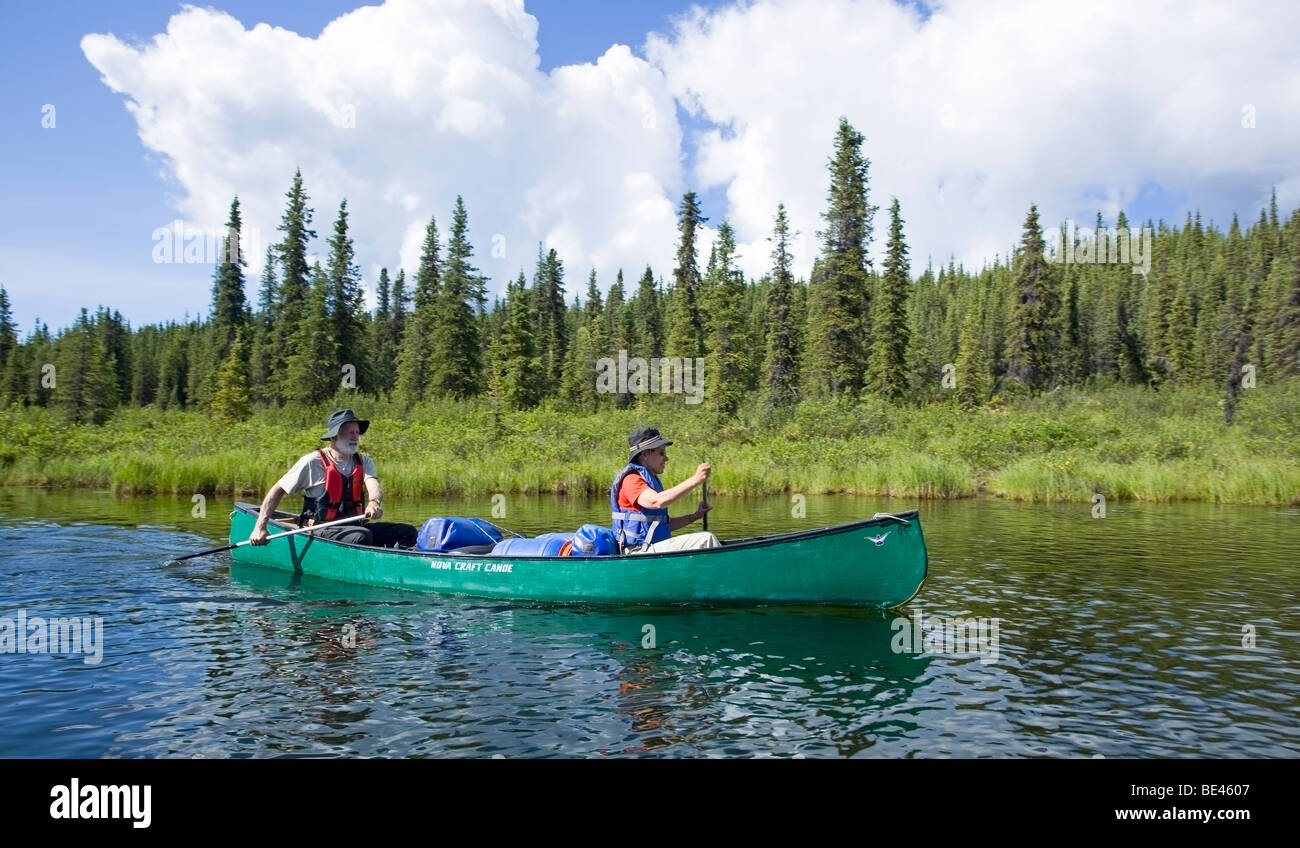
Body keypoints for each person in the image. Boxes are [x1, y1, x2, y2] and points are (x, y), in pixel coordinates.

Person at [248, 409, 418, 549]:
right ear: (334, 435)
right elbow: (277, 490)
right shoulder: (312, 462)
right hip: (320, 529)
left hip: (355, 528)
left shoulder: (364, 461)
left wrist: (374, 502)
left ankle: (393, 560)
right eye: (350, 432)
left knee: (408, 532)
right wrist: (260, 527)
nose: (355, 436)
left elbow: (372, 482)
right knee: (362, 536)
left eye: (357, 432)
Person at [611, 427, 720, 554]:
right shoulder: (632, 480)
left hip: (651, 549)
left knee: (704, 538)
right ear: (645, 454)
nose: (666, 458)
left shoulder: (650, 480)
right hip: (637, 551)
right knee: (706, 539)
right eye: (661, 453)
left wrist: (694, 517)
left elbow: (663, 526)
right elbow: (656, 502)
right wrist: (695, 479)